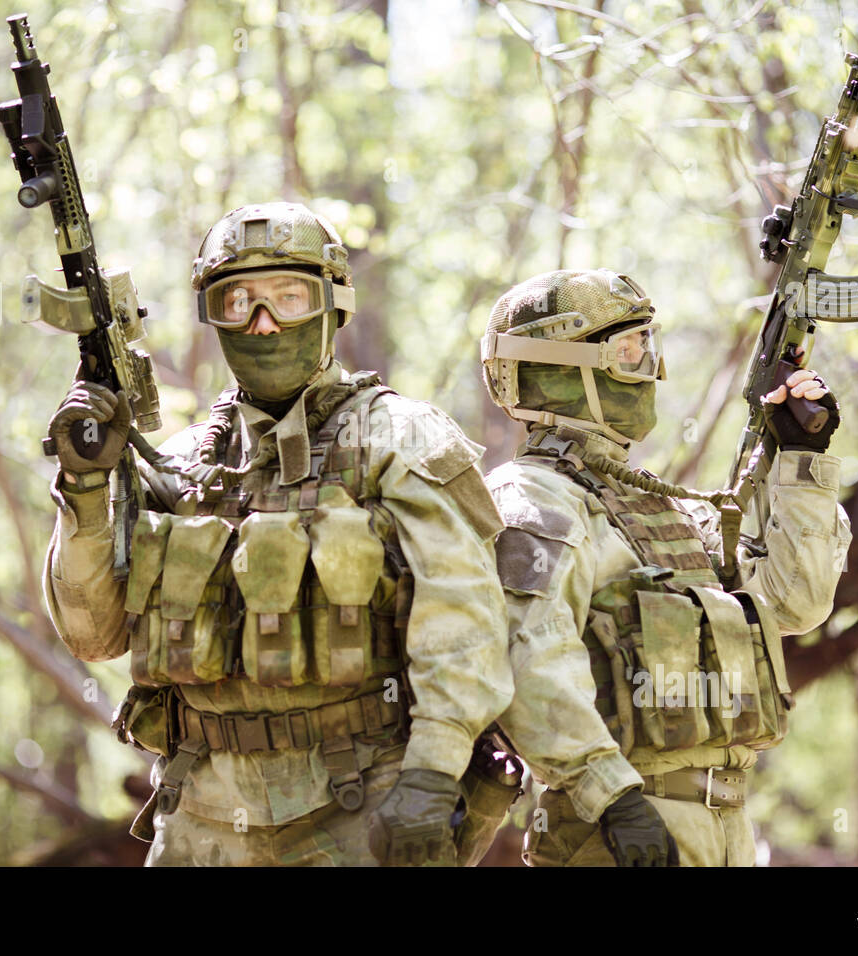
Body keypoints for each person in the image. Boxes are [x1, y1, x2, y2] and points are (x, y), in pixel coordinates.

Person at [41, 201, 513, 866]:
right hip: (200, 820)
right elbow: (94, 634)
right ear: (213, 315)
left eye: (290, 297)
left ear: (332, 305)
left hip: (363, 806)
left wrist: (432, 780)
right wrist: (87, 487)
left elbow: (468, 631)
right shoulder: (178, 464)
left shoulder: (401, 441)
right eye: (239, 301)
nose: (264, 324)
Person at [477, 268, 853, 866]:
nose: (647, 365)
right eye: (624, 351)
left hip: (725, 827)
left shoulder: (659, 505)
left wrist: (803, 460)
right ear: (560, 371)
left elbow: (793, 603)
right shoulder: (534, 498)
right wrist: (613, 799)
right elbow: (527, 663)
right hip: (614, 832)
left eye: (646, 345)